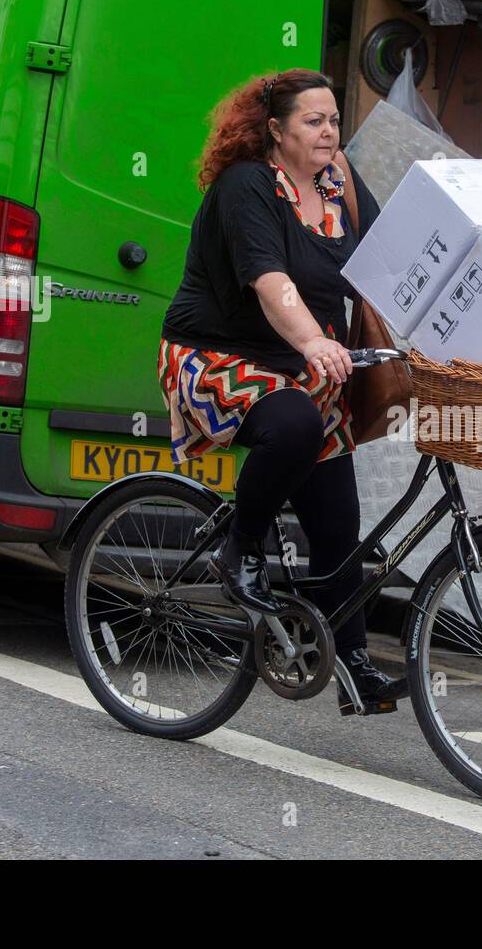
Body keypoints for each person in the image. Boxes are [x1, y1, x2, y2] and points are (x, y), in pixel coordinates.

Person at [157, 68, 407, 713]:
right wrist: (314, 341)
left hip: (302, 368)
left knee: (338, 526)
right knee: (295, 424)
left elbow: (395, 264)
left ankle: (355, 667)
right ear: (275, 129)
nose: (329, 132)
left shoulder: (340, 187)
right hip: (214, 356)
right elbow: (270, 281)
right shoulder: (246, 186)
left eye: (333, 120)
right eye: (313, 122)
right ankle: (239, 549)